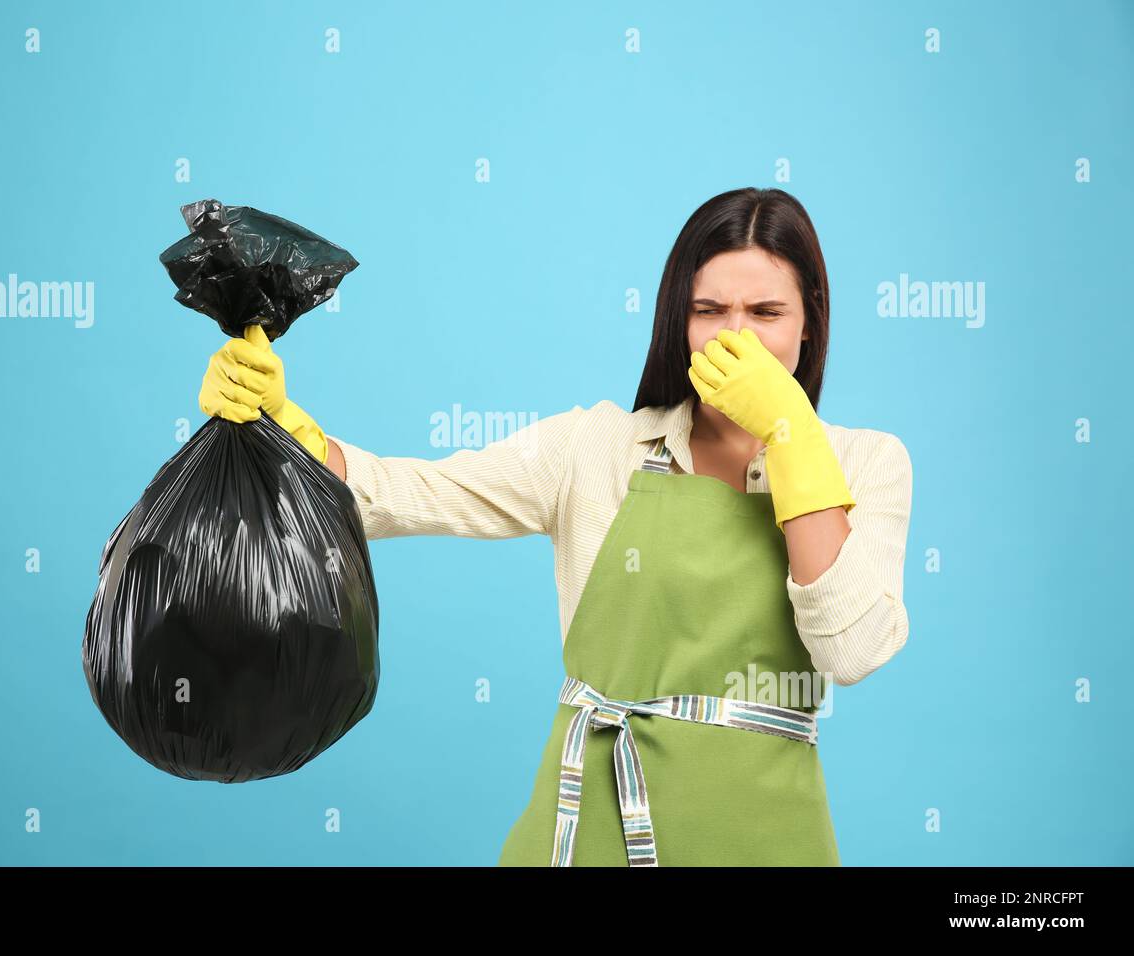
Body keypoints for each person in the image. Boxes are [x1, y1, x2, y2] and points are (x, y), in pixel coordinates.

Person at [196, 187, 913, 867]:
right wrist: (283, 432)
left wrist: (791, 436)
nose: (735, 338)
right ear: (677, 320)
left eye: (765, 312)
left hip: (765, 837)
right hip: (585, 829)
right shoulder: (595, 448)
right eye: (709, 310)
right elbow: (411, 493)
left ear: (810, 321)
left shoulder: (866, 464)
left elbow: (849, 650)